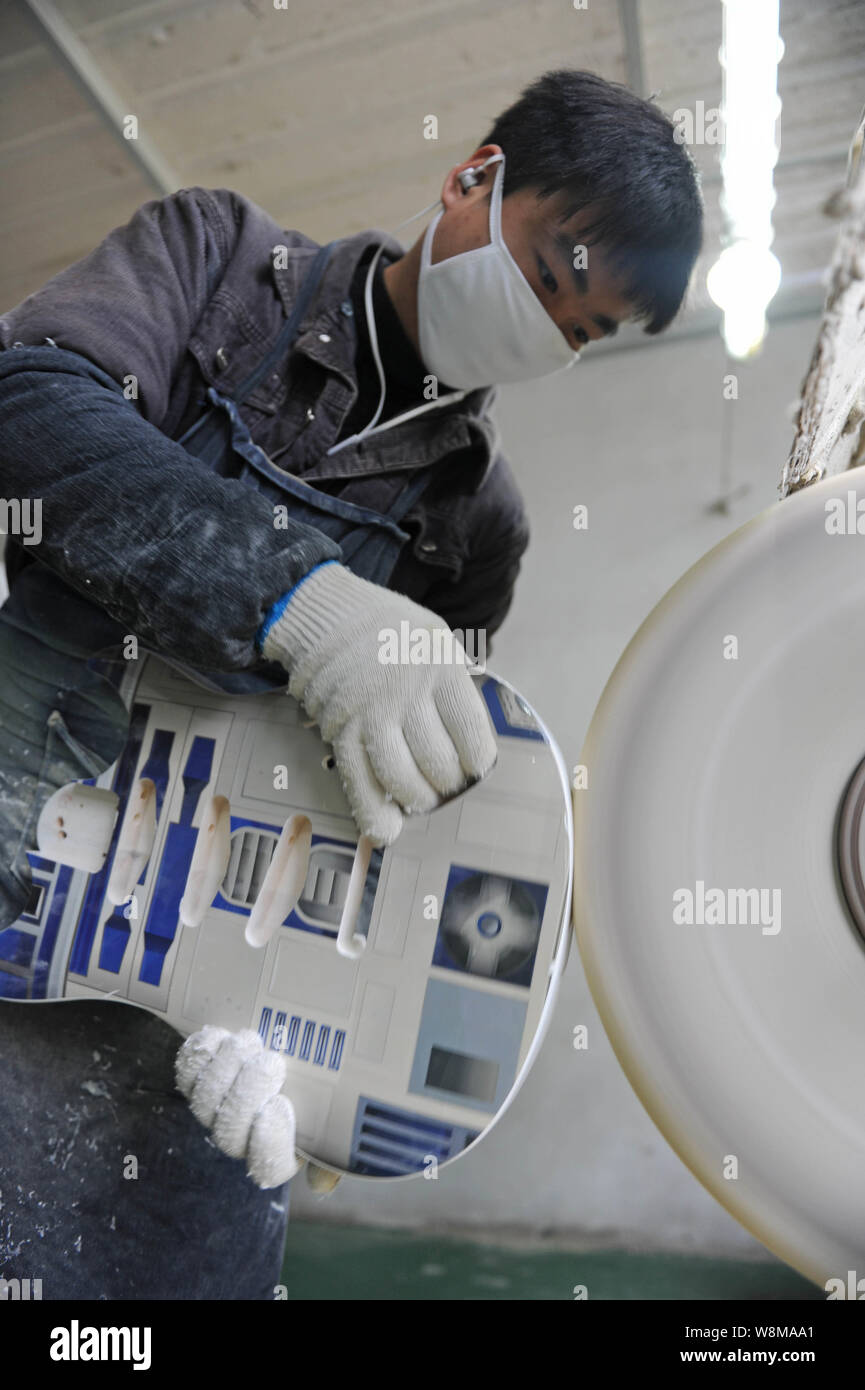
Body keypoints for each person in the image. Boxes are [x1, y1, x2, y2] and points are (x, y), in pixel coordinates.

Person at [0, 68, 703, 1299]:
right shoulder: (216, 261)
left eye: (579, 332)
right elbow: (27, 411)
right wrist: (300, 605)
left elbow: (402, 823)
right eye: (547, 275)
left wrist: (316, 1083)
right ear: (471, 179)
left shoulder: (476, 530)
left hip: (178, 1030)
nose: (546, 329)